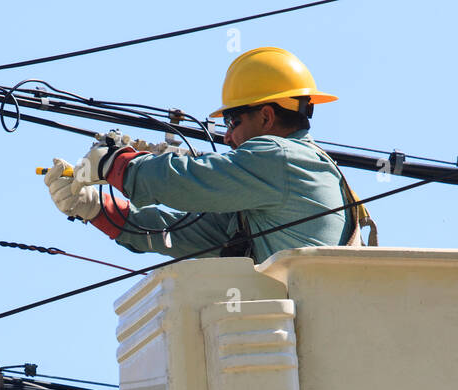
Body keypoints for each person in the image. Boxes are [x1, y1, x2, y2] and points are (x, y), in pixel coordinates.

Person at [44, 47, 375, 262]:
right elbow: (178, 235)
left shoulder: (279, 157)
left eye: (233, 121)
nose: (227, 136)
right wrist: (96, 208)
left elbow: (188, 181)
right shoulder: (271, 196)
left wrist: (115, 163)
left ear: (266, 117)